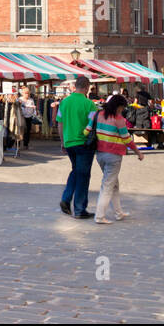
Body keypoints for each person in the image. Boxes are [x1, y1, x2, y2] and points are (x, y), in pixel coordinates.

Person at [93, 94, 144, 224]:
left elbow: (88, 129)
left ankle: (118, 212)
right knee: (108, 185)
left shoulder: (99, 115)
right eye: (122, 108)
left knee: (114, 184)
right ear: (118, 107)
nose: (123, 110)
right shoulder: (118, 119)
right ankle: (99, 216)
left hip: (100, 154)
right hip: (114, 155)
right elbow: (127, 139)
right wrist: (138, 152)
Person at [57, 76, 97, 219]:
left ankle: (66, 199)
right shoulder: (90, 104)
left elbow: (59, 124)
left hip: (69, 142)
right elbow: (93, 125)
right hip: (84, 143)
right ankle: (79, 209)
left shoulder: (64, 103)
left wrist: (62, 142)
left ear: (75, 86)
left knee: (76, 170)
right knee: (83, 176)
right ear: (86, 87)